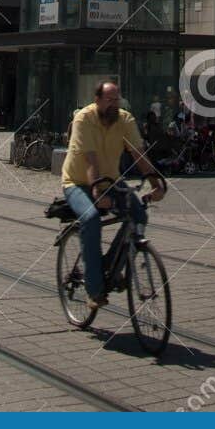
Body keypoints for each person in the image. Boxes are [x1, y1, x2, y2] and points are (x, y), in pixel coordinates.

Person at [61, 81, 164, 311]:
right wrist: (97, 191)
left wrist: (156, 183)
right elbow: (90, 158)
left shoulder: (125, 120)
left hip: (111, 180)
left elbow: (138, 154)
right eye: (109, 100)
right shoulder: (83, 119)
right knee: (91, 219)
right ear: (97, 100)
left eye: (117, 100)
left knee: (139, 216)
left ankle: (111, 266)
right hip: (77, 182)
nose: (114, 104)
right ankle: (94, 289)